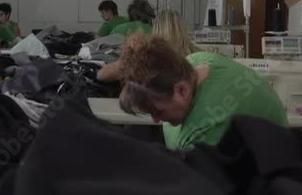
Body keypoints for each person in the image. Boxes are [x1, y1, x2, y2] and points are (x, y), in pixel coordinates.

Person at [117, 34, 286, 151]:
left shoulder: (206, 128)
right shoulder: (196, 61)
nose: (155, 120)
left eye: (159, 111)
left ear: (181, 90)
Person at [98, 9, 199, 82]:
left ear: (155, 28)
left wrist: (127, 57)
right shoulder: (198, 54)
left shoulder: (146, 54)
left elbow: (101, 75)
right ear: (183, 29)